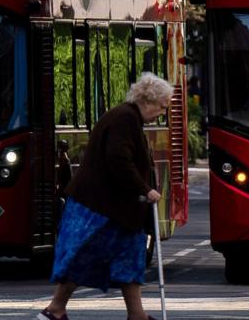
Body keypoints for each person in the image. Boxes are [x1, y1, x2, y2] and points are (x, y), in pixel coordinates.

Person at [39, 72, 174, 320]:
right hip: (99, 209)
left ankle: (137, 315)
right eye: (162, 107)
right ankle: (56, 308)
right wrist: (145, 189)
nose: (163, 112)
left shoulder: (130, 118)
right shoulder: (124, 118)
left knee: (129, 260)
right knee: (85, 255)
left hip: (118, 211)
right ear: (148, 100)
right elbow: (118, 160)